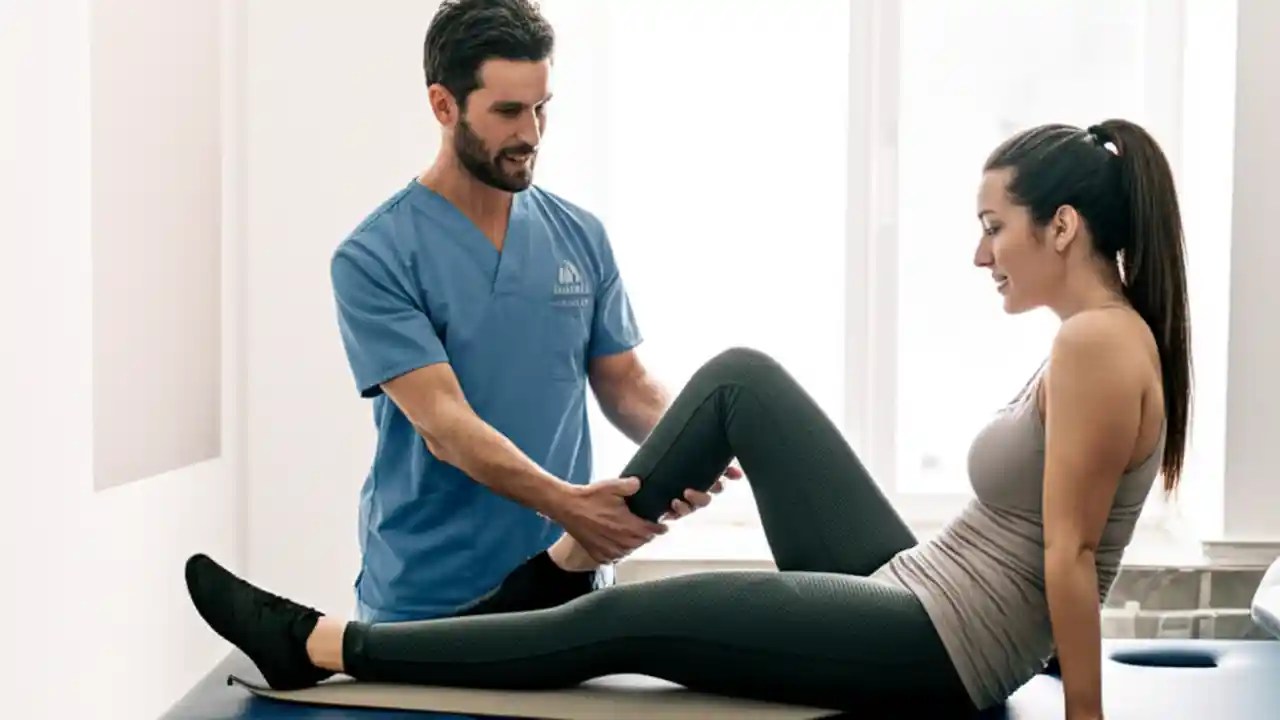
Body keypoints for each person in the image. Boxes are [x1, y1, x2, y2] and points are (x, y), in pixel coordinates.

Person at [186, 118, 1192, 719]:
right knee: (739, 383)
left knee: (627, 622)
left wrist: (1082, 712)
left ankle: (324, 644)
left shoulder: (1094, 344)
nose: (981, 255)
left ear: (1060, 227)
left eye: (993, 227)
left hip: (939, 646)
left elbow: (1067, 557)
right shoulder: (1095, 337)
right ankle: (560, 564)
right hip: (921, 590)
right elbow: (1061, 541)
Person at [329, 0, 739, 624]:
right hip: (427, 595)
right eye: (508, 112)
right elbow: (443, 423)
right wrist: (569, 504)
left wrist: (687, 445)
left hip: (563, 586)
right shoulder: (375, 256)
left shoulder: (580, 235)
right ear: (444, 106)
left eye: (542, 106)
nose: (532, 133)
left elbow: (624, 383)